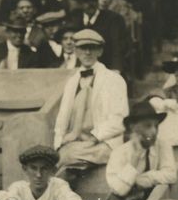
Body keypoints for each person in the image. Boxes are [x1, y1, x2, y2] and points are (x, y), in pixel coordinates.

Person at [52, 29, 129, 180]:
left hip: (103, 143)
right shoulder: (72, 82)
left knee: (66, 157)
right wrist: (59, 143)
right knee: (57, 156)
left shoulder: (114, 79)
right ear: (75, 51)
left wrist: (94, 137)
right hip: (76, 143)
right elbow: (62, 120)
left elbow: (119, 120)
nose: (87, 52)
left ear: (100, 51)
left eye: (92, 48)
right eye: (82, 48)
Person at [103, 105, 177, 200]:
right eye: (147, 126)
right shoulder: (120, 153)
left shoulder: (162, 146)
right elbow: (119, 190)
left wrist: (147, 178)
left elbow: (171, 175)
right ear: (133, 128)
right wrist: (134, 162)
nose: (154, 131)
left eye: (156, 126)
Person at [0, 144, 85, 200]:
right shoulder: (18, 187)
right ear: (25, 169)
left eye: (44, 168)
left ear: (53, 170)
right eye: (33, 168)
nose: (38, 175)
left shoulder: (58, 185)